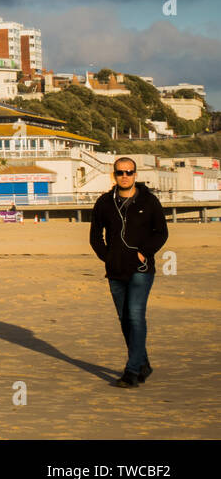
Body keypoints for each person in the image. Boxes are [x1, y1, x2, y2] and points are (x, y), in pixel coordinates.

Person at [89, 157, 168, 388]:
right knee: (125, 319)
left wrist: (143, 253)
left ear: (136, 174)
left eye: (129, 172)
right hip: (115, 271)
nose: (125, 176)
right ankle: (143, 364)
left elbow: (161, 233)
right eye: (120, 172)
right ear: (114, 175)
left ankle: (132, 372)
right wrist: (108, 257)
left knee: (135, 316)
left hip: (141, 270)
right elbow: (95, 236)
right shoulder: (104, 202)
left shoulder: (149, 201)